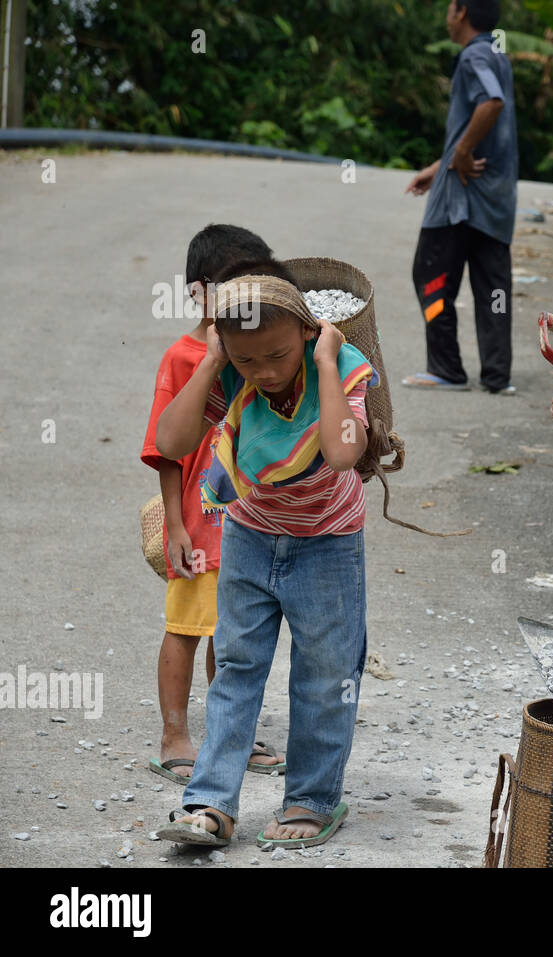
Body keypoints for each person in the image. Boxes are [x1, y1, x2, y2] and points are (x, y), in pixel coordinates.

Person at [153, 267, 375, 848]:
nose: (266, 372)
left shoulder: (344, 370)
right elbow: (172, 442)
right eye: (248, 360)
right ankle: (209, 803)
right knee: (236, 668)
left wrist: (326, 362)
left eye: (278, 354)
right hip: (249, 538)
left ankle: (311, 799)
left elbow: (342, 451)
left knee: (325, 677)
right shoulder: (231, 376)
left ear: (308, 331)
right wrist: (210, 363)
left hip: (327, 545)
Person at [140, 225, 285, 785]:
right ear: (202, 292)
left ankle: (232, 733)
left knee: (236, 635)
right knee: (185, 626)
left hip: (251, 521)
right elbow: (165, 451)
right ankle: (174, 733)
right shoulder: (184, 358)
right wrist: (175, 523)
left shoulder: (263, 354)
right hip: (200, 522)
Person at [403, 0, 518, 394]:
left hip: (461, 200)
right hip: (496, 200)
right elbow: (485, 121)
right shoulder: (498, 54)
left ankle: (446, 369)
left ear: (461, 12)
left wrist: (463, 156)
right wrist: (441, 166)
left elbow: (491, 104)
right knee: (493, 289)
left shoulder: (472, 58)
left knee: (430, 278)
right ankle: (497, 377)